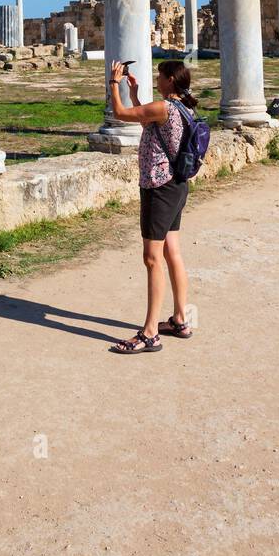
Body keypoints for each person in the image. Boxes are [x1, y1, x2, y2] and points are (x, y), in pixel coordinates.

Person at [108, 58, 197, 354]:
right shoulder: (182, 107)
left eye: (159, 76)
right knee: (172, 252)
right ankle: (181, 319)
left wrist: (114, 82)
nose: (156, 80)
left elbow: (120, 114)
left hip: (159, 189)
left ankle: (149, 334)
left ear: (170, 79)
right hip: (176, 186)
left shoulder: (164, 107)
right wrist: (134, 94)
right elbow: (150, 122)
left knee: (151, 258)